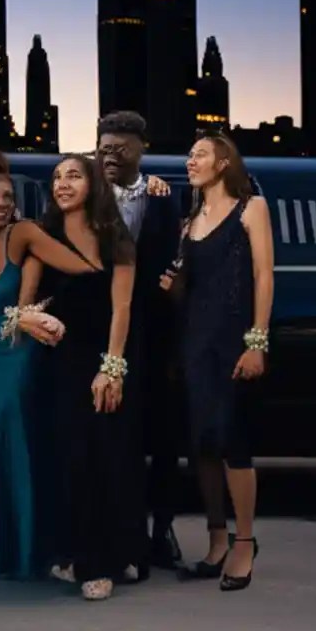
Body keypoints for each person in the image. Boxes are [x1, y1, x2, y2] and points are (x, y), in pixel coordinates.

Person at [0, 149, 93, 580]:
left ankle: (27, 549)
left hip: (19, 355)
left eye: (8, 197)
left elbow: (85, 267)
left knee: (18, 440)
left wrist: (38, 309)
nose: (1, 203)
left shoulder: (24, 234)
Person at [23, 154, 142, 601]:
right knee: (71, 460)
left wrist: (111, 368)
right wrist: (31, 319)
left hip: (105, 359)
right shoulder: (43, 236)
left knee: (108, 459)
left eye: (73, 175)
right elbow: (25, 305)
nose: (63, 184)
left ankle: (108, 559)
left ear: (92, 184)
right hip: (59, 365)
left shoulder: (115, 236)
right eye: (57, 177)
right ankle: (79, 555)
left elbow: (122, 307)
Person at [166, 133, 273, 592]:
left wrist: (257, 341)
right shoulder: (189, 221)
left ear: (224, 161)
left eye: (200, 154)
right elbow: (187, 290)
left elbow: (263, 274)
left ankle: (244, 542)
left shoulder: (251, 208)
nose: (190, 162)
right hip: (195, 342)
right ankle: (216, 541)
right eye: (189, 156)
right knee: (202, 444)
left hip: (233, 340)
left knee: (233, 441)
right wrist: (172, 286)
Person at [97, 111, 183, 573]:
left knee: (163, 436)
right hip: (101, 331)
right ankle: (117, 532)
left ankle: (161, 530)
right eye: (104, 147)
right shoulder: (85, 194)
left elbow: (176, 260)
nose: (111, 155)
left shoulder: (164, 198)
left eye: (120, 148)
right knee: (114, 436)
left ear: (141, 149)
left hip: (153, 333)